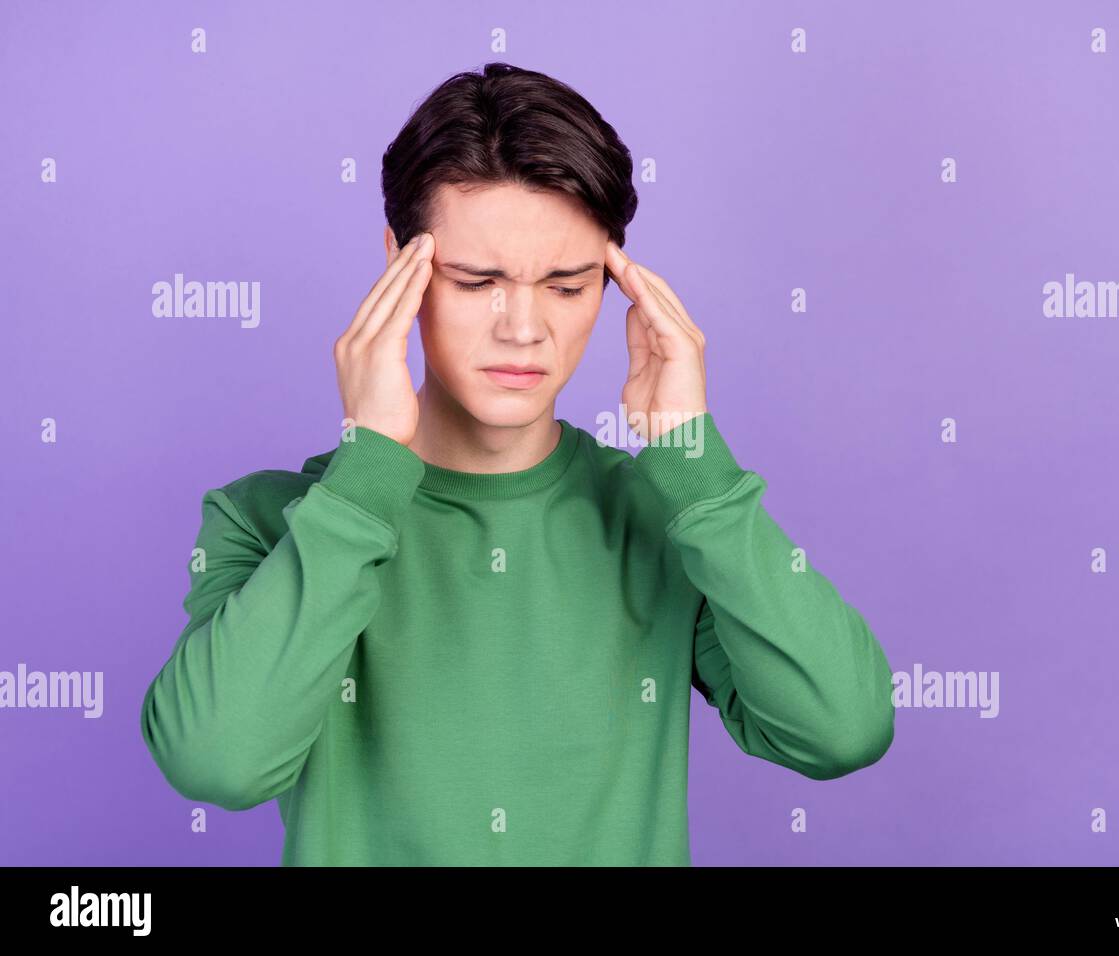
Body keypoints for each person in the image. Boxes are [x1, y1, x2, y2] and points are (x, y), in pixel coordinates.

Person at [139, 61, 895, 866]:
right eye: (478, 281)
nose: (523, 328)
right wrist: (361, 485)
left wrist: (695, 463)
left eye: (568, 287)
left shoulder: (664, 518)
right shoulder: (270, 519)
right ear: (400, 263)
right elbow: (215, 763)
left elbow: (841, 731)